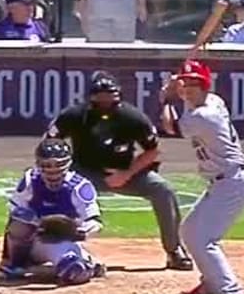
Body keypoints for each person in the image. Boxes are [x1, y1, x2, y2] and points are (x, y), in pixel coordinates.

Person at [46, 73, 192, 271]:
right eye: (101, 99)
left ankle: (174, 250)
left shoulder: (132, 117)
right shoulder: (74, 115)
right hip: (83, 173)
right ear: (90, 98)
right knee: (53, 189)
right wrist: (64, 172)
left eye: (110, 98)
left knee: (162, 190)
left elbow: (153, 150)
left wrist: (127, 174)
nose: (106, 104)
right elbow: (50, 142)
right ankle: (54, 248)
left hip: (124, 172)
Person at [160, 60, 244, 294]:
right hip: (224, 181)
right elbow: (189, 105)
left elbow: (170, 126)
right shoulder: (213, 101)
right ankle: (211, 282)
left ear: (205, 86)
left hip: (232, 182)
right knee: (190, 231)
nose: (189, 88)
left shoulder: (204, 117)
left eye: (195, 84)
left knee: (203, 240)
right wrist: (178, 91)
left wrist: (167, 98)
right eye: (187, 83)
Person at [0, 139, 108, 284]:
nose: (53, 170)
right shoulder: (31, 180)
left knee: (76, 273)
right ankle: (14, 264)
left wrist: (82, 232)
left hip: (61, 242)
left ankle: (33, 270)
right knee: (18, 225)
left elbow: (95, 222)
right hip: (33, 240)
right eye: (47, 165)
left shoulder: (79, 187)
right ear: (38, 163)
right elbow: (15, 212)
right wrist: (41, 222)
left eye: (58, 164)